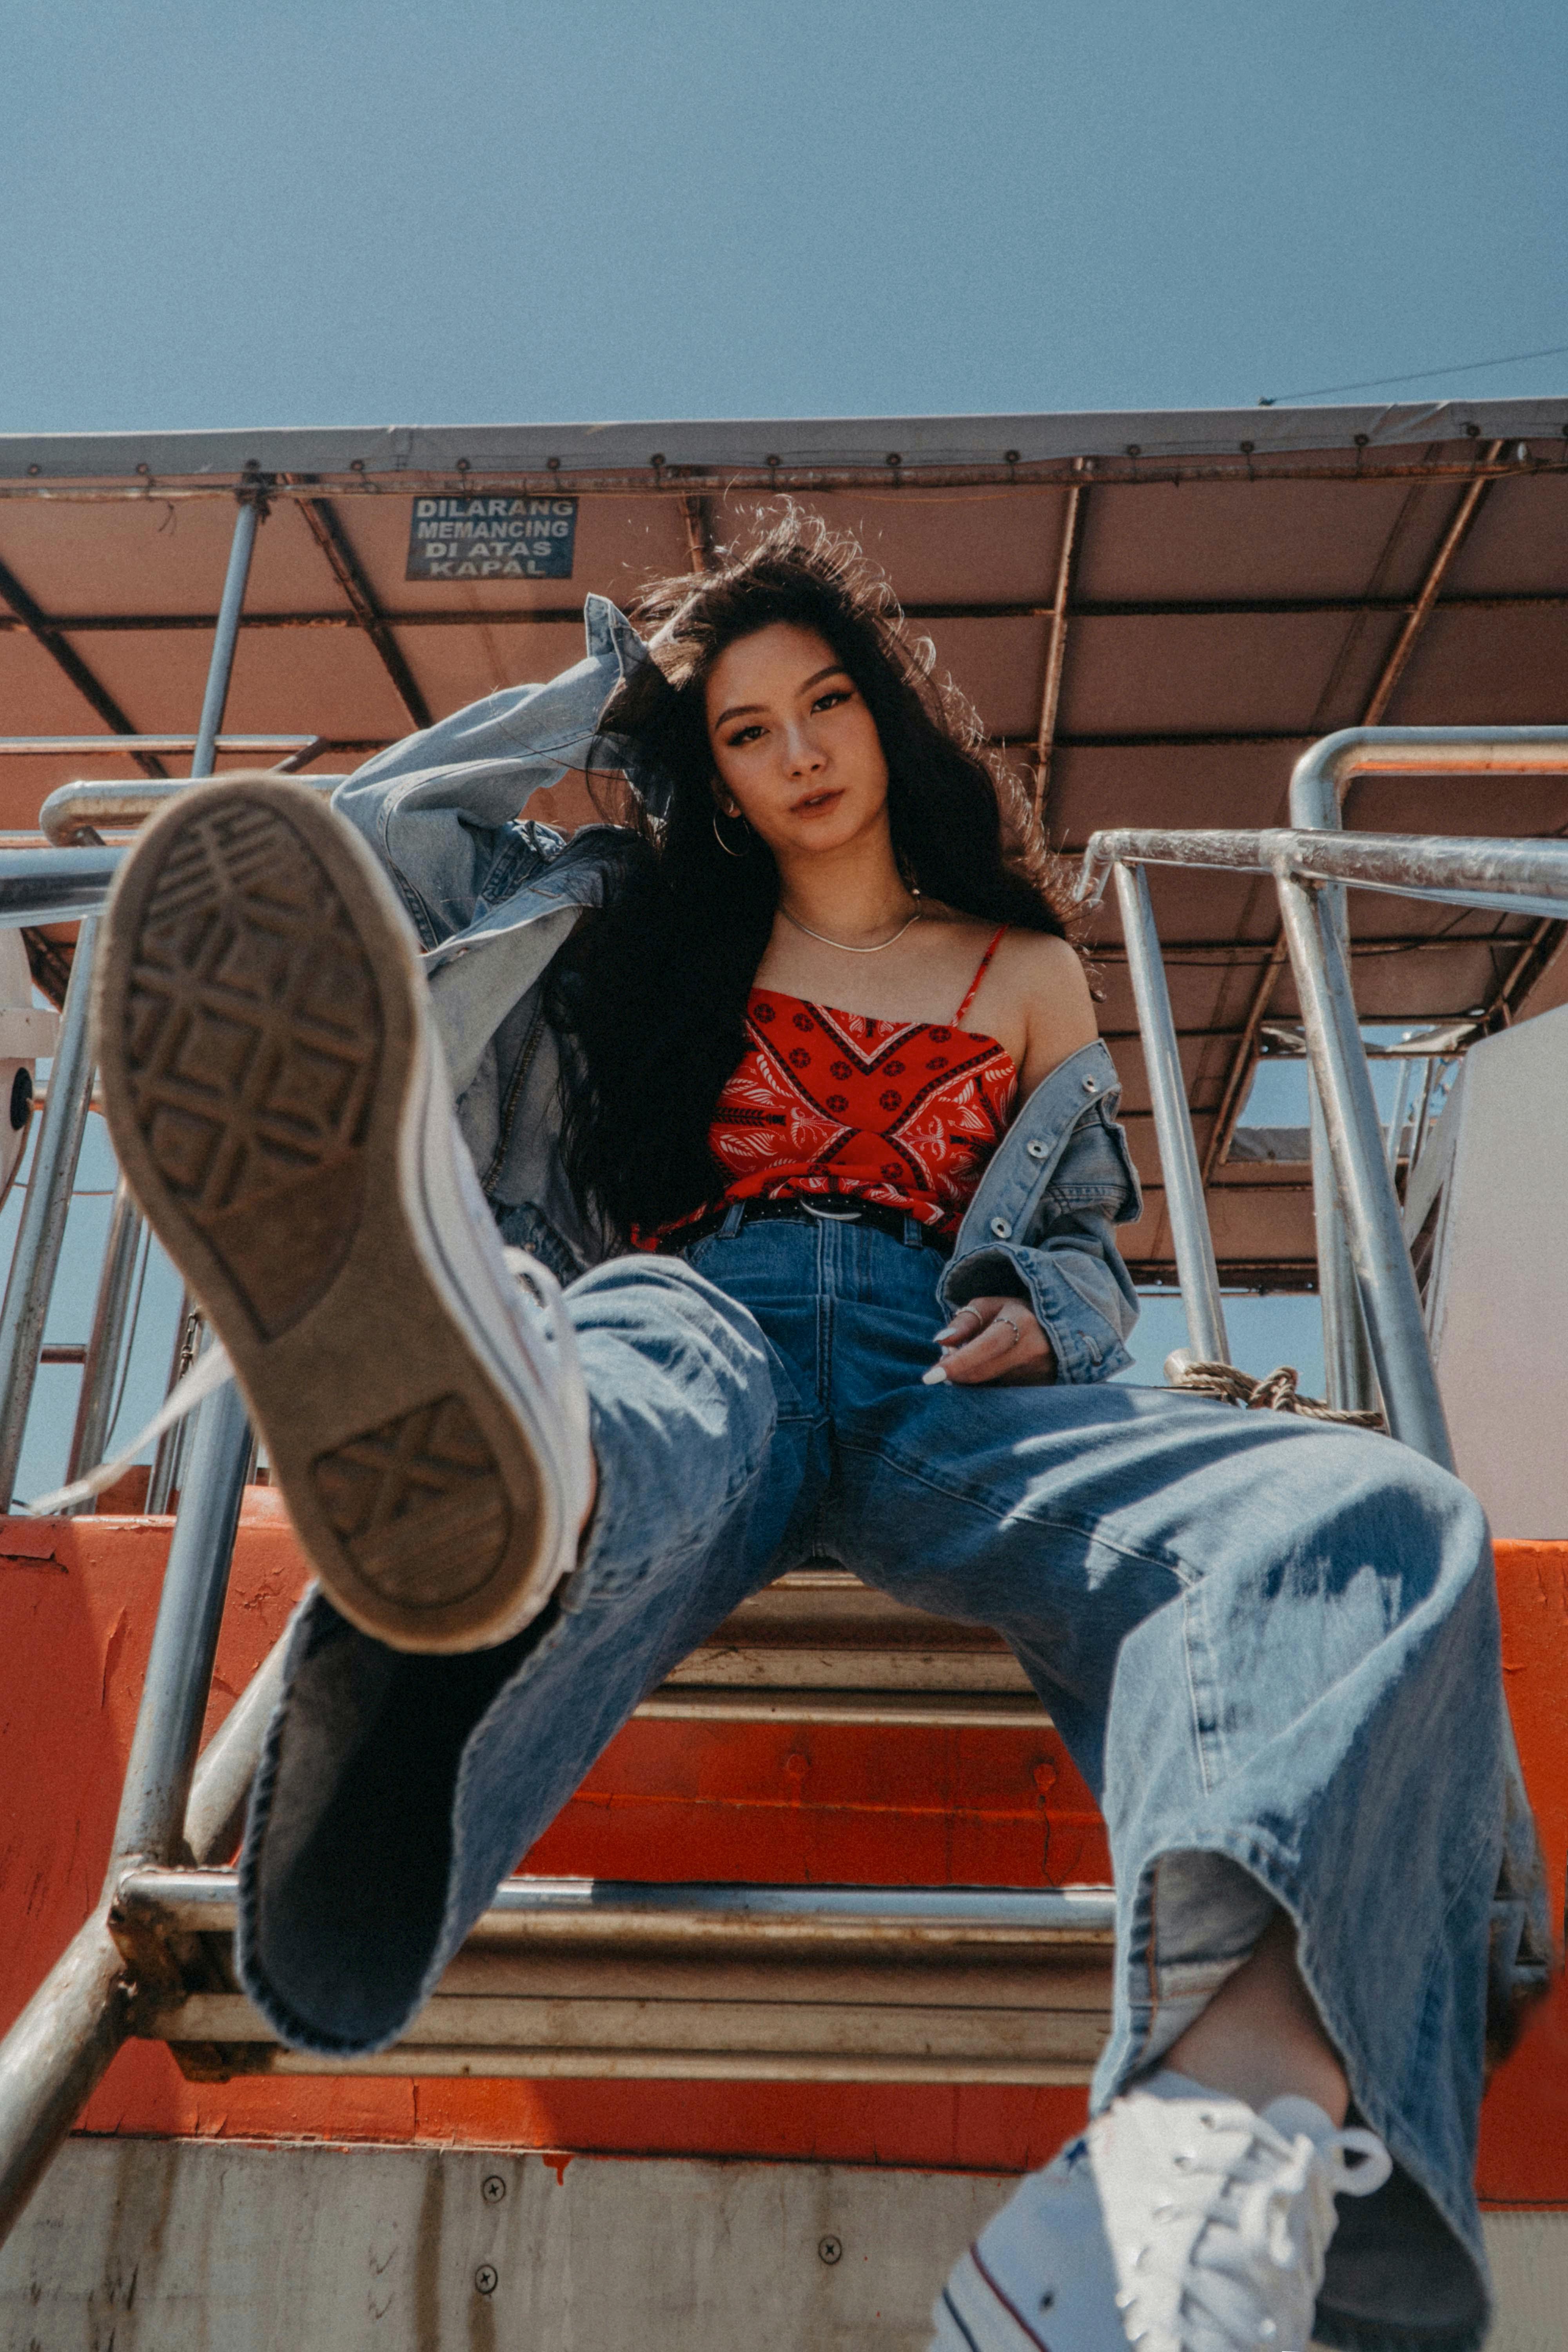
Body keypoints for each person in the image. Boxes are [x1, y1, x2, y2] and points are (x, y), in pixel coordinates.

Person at [95, 515, 1531, 2352]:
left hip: (953, 1385)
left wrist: (1054, 1321)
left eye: (825, 702)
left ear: (884, 715)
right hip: (716, 1332)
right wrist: (601, 698)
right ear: (711, 768)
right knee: (637, 1369)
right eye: (747, 729)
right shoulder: (651, 928)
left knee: (1377, 1509)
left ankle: (1198, 2180)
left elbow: (1087, 1249)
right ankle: (497, 1463)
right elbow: (386, 865)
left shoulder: (1019, 964)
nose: (798, 753)